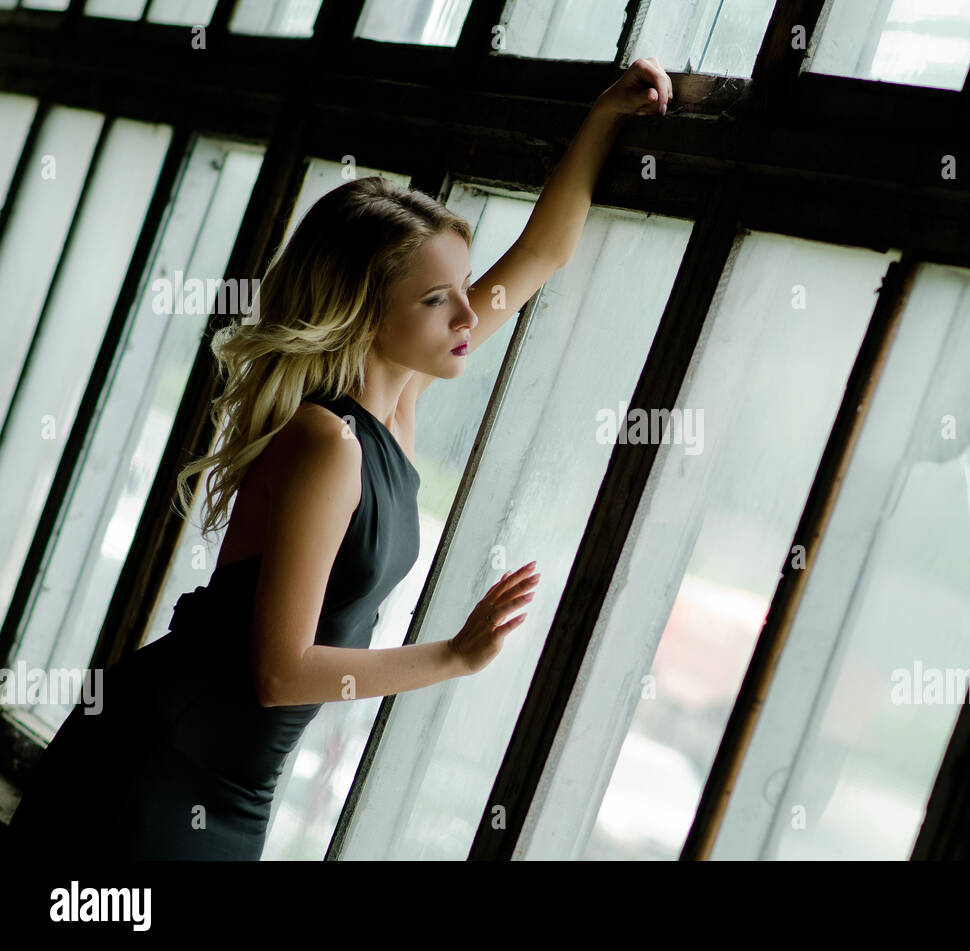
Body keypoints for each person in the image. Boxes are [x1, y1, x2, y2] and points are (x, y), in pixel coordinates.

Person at [5, 58, 675, 861]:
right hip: (157, 769)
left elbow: (543, 253)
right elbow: (278, 674)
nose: (469, 310)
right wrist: (453, 656)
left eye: (464, 287)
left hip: (232, 780)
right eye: (437, 299)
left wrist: (605, 119)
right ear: (366, 311)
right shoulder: (328, 442)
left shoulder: (402, 404)